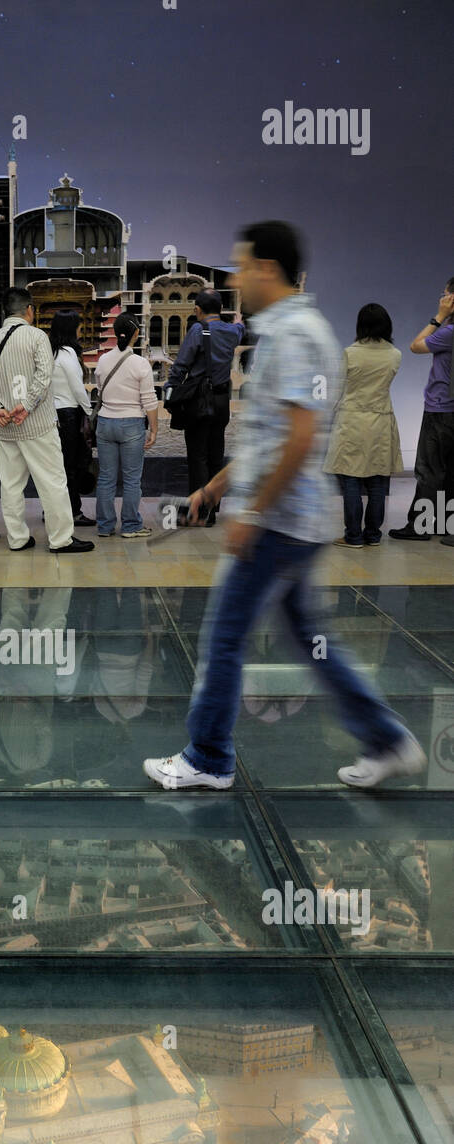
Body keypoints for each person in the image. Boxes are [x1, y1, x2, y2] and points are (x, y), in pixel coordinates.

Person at [142, 220, 426, 792]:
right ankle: (387, 739)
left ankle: (208, 757)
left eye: (242, 266)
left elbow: (299, 437)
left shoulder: (295, 336)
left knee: (224, 636)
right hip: (296, 521)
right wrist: (214, 491)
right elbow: (267, 438)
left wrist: (251, 513)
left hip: (278, 522)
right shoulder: (292, 330)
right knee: (312, 640)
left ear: (267, 270)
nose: (236, 277)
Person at [0, 286, 94, 553]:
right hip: (37, 425)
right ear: (28, 310)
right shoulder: (37, 337)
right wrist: (26, 406)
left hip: (5, 428)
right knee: (52, 482)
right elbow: (44, 376)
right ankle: (61, 539)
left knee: (11, 485)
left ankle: (17, 538)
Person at [324, 303, 403, 546]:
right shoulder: (395, 354)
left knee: (350, 479)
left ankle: (353, 536)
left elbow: (338, 389)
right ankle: (373, 535)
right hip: (381, 419)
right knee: (378, 480)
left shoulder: (350, 352)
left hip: (352, 420)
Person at [165, 290, 244, 527]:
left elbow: (181, 365)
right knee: (215, 454)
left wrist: (171, 390)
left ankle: (199, 512)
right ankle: (212, 509)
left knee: (197, 456)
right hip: (221, 402)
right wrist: (239, 321)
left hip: (199, 401)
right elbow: (240, 327)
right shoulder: (232, 331)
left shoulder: (199, 330)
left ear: (198, 309)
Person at [389, 277, 454, 542]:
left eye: (445, 295)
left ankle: (420, 526)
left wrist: (439, 316)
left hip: (441, 409)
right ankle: (443, 524)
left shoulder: (448, 332)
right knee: (448, 470)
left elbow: (416, 345)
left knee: (429, 468)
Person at [94, 312, 157, 538]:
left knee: (106, 478)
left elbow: (100, 390)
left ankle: (105, 526)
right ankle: (130, 526)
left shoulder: (102, 360)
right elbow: (149, 400)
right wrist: (154, 429)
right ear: (136, 333)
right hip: (131, 424)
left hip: (105, 423)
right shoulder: (140, 364)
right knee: (131, 479)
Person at [49, 309, 95, 527]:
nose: (80, 330)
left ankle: (52, 509)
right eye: (78, 326)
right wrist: (89, 412)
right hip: (69, 414)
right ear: (71, 329)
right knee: (71, 466)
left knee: (57, 466)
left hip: (54, 414)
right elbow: (78, 389)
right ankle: (73, 512)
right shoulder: (67, 354)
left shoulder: (51, 353)